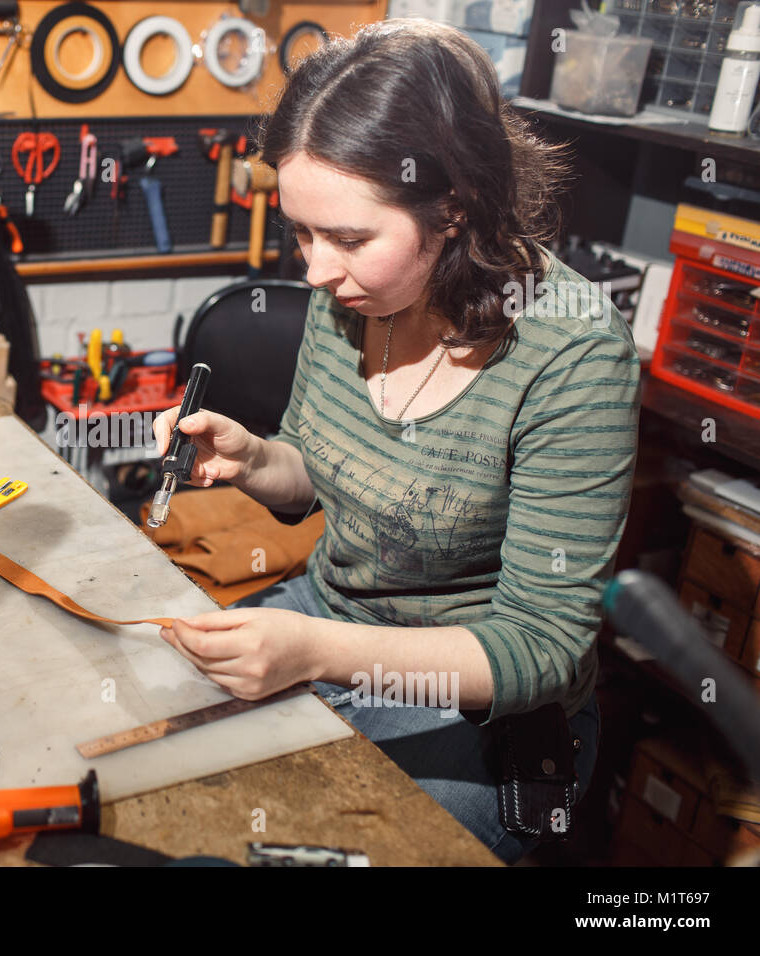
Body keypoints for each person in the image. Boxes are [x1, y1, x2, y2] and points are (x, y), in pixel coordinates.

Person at [152, 18, 640, 863]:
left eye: (347, 239)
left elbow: (547, 647)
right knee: (162, 782)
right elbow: (317, 474)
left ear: (453, 206)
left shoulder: (574, 353)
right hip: (327, 617)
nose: (313, 270)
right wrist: (254, 459)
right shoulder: (350, 294)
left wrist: (315, 654)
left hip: (472, 699)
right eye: (301, 231)